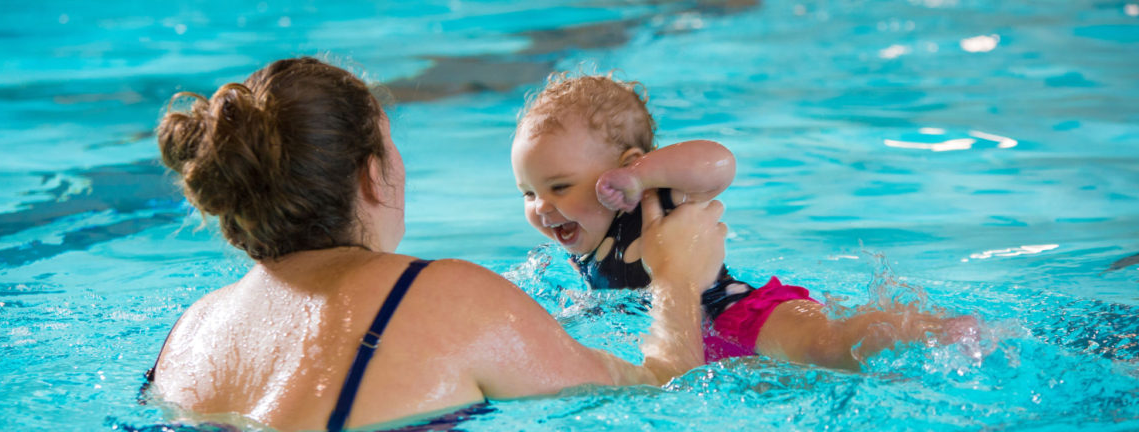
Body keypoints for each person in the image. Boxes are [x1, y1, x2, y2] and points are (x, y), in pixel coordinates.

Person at [145, 57, 730, 432]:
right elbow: (663, 395)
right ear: (372, 174)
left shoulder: (192, 330)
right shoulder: (443, 297)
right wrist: (679, 275)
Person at [510, 72, 977, 369]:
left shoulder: (647, 199)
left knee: (827, 344)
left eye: (559, 186)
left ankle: (934, 331)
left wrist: (641, 177)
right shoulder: (583, 240)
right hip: (699, 344)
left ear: (626, 166)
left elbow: (719, 163)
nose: (542, 207)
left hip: (737, 314)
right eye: (528, 192)